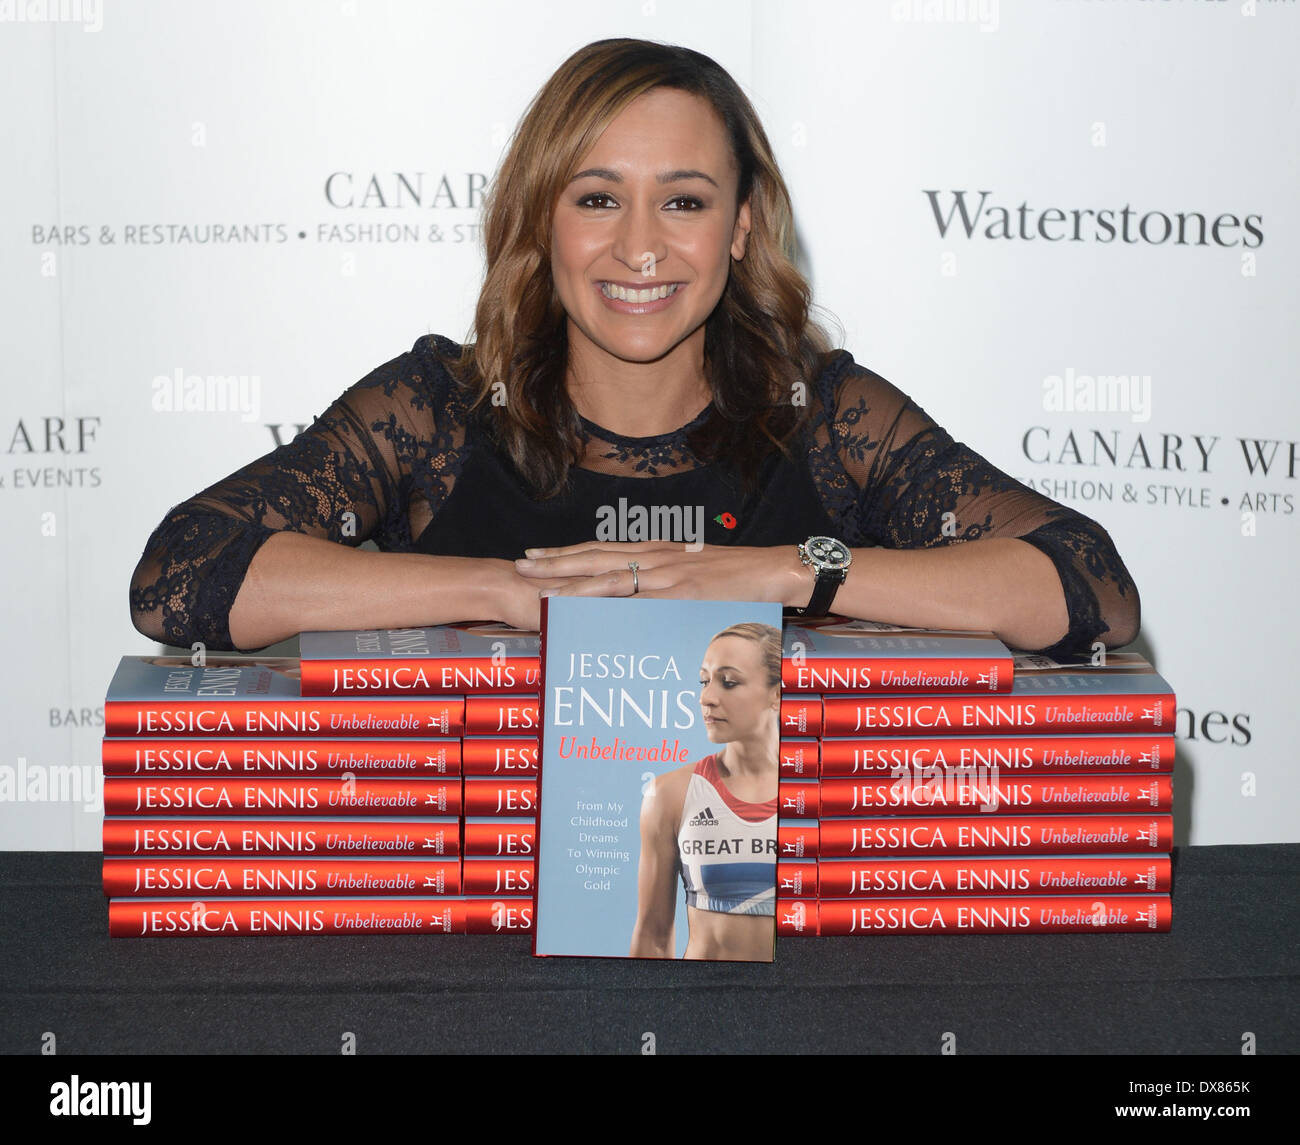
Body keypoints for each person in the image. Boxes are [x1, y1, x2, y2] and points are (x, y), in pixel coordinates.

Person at [128, 38, 1140, 655]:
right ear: (544, 219)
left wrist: (785, 574)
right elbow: (181, 573)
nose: (641, 247)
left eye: (685, 201)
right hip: (469, 932)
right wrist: (500, 592)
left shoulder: (822, 415)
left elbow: (1085, 583)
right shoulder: (438, 407)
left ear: (741, 226)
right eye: (599, 197)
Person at [629, 623, 780, 961]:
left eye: (728, 682)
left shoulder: (813, 793)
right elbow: (652, 938)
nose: (706, 698)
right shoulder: (668, 794)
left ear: (778, 693)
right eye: (704, 681)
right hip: (698, 1003)